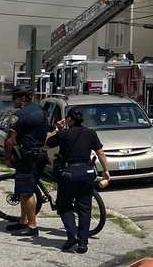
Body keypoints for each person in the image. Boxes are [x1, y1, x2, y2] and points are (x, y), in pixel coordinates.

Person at [46, 107, 111, 253]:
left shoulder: (64, 134)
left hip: (68, 174)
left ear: (69, 119)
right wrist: (106, 171)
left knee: (64, 206)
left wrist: (58, 129)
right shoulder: (90, 133)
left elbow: (47, 144)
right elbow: (100, 152)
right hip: (86, 173)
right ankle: (83, 243)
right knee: (84, 208)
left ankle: (71, 236)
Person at [4, 85, 48, 236]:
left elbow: (10, 140)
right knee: (24, 191)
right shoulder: (41, 110)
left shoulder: (20, 115)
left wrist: (8, 158)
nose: (12, 101)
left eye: (14, 97)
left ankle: (32, 226)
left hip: (27, 157)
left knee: (27, 192)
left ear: (22, 98)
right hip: (40, 154)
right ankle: (23, 221)